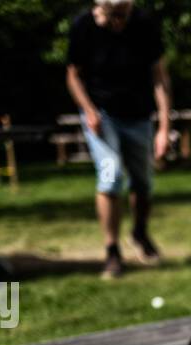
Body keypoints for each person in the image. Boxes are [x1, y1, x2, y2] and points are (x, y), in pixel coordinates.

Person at [66, 0, 171, 279]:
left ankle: (140, 232)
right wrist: (88, 110)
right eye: (114, 15)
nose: (120, 21)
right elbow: (73, 76)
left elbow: (160, 77)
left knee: (143, 182)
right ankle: (112, 251)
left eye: (124, 14)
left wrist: (163, 128)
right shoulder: (84, 26)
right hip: (101, 113)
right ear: (100, 9)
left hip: (139, 115)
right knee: (111, 174)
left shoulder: (144, 24)